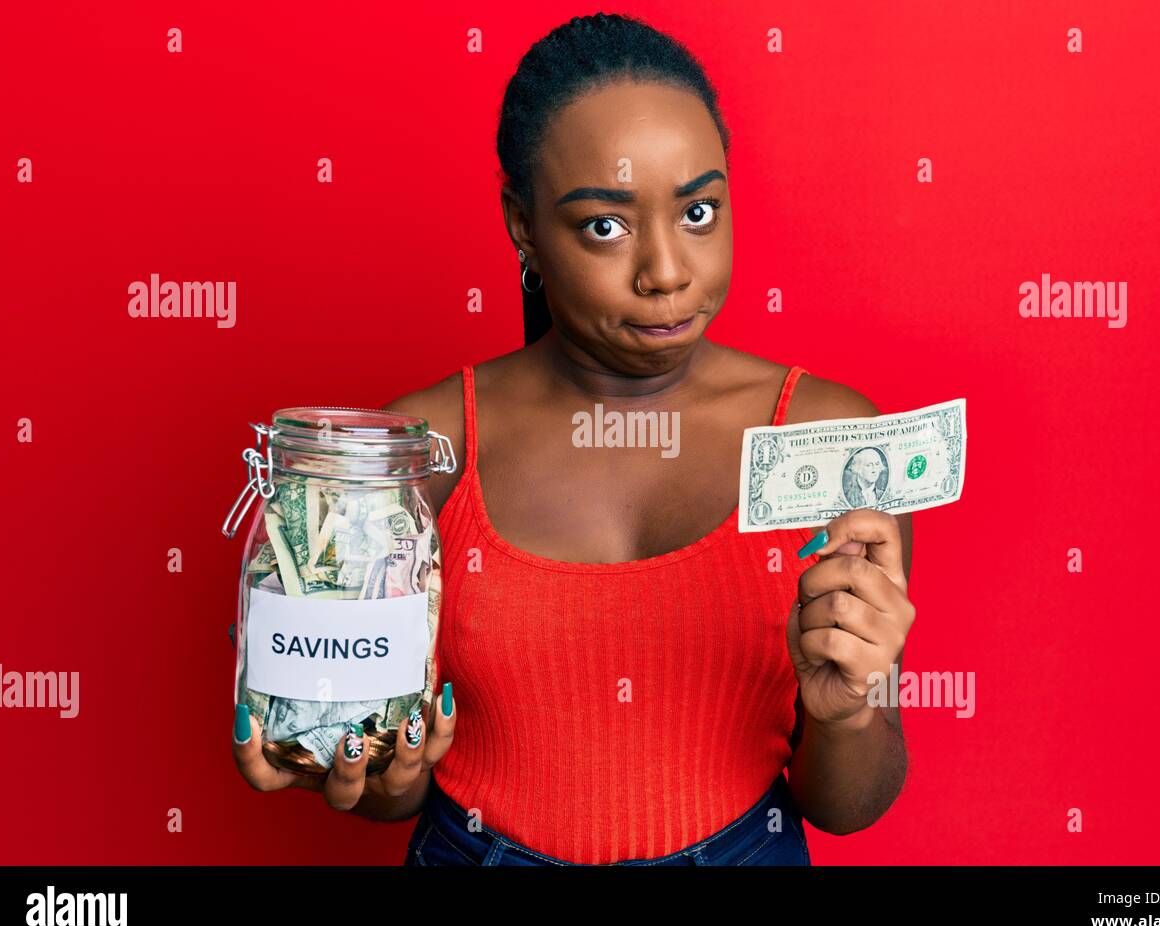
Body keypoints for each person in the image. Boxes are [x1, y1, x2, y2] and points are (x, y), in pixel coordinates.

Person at [232, 12, 916, 867]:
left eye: (699, 210)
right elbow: (389, 780)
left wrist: (848, 709)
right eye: (605, 225)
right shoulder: (423, 451)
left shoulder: (834, 442)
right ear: (523, 225)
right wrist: (369, 767)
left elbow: (848, 806)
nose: (666, 271)